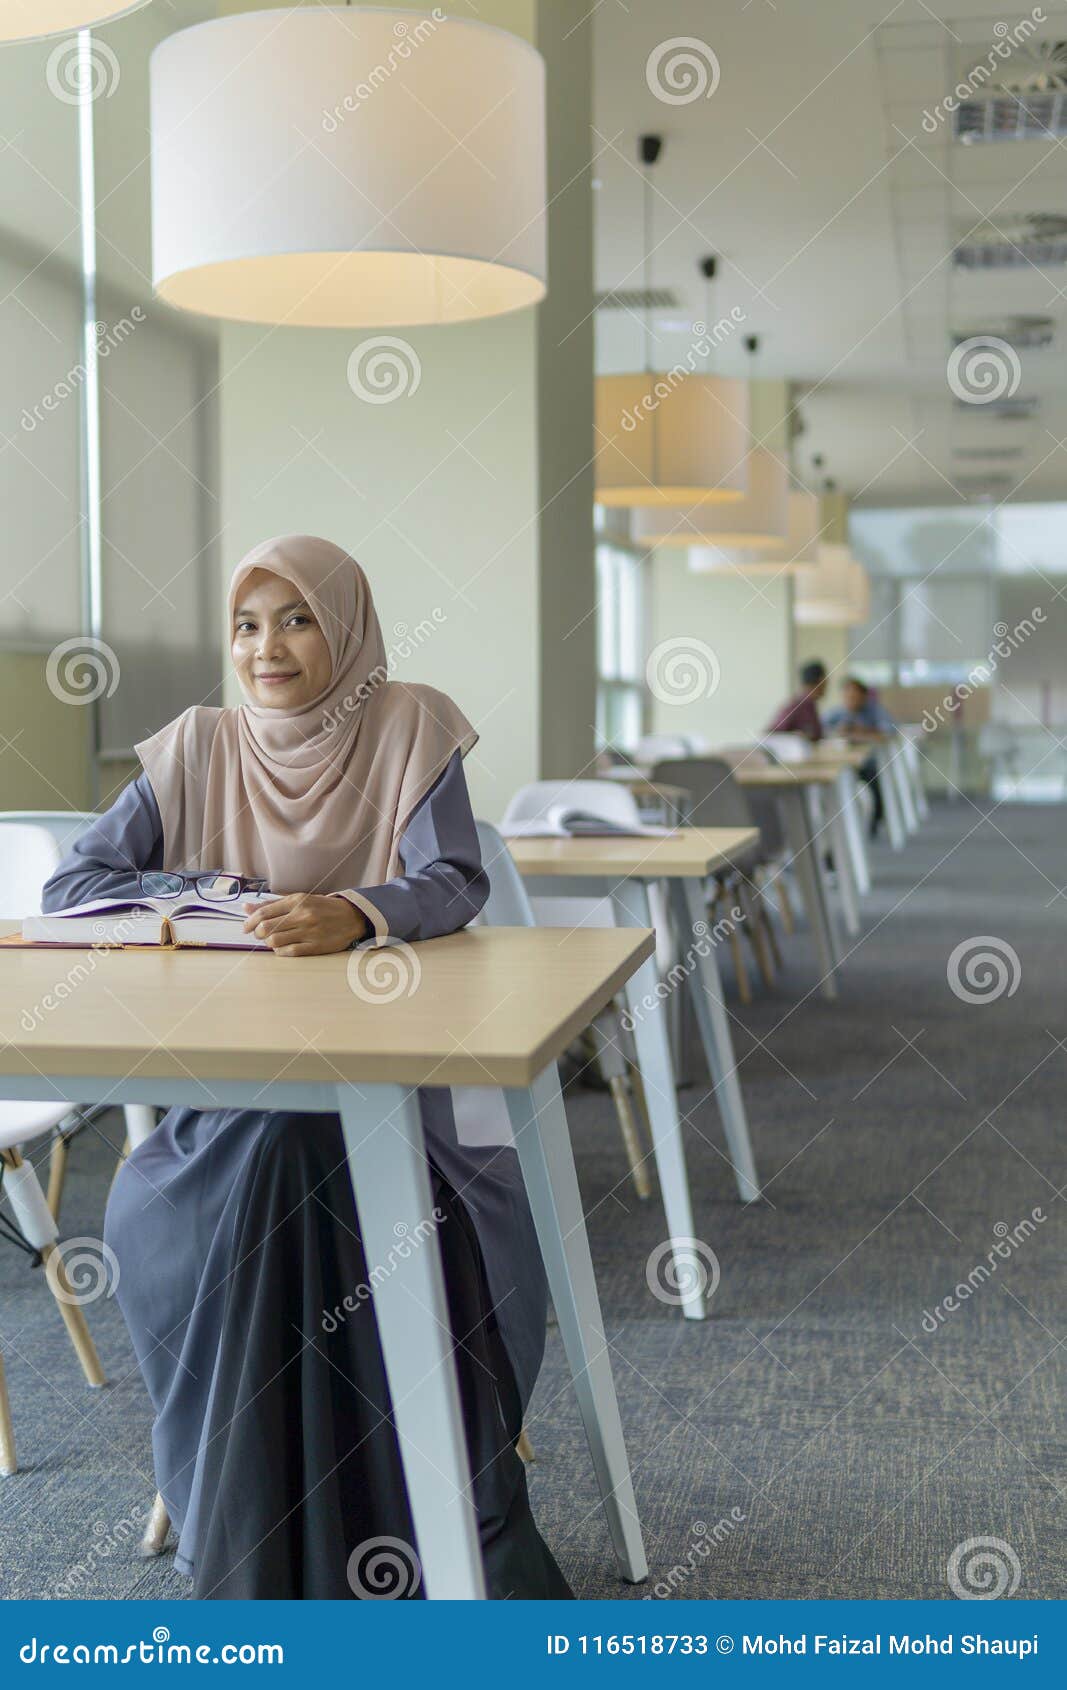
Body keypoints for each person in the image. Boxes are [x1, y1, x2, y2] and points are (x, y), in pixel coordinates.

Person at [41, 534, 572, 1602]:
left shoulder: (408, 722)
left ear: (345, 627)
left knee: (315, 1142)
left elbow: (455, 881)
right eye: (245, 623)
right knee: (279, 1141)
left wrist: (357, 911)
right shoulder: (194, 747)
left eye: (295, 619)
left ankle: (292, 1542)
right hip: (224, 1105)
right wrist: (224, 893)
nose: (265, 646)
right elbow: (76, 885)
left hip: (399, 1094)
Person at [823, 676, 896, 838]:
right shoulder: (837, 713)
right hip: (840, 763)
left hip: (866, 763)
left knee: (875, 780)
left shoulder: (875, 711)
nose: (850, 700)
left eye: (854, 697)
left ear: (864, 696)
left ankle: (875, 820)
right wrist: (837, 732)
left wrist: (863, 731)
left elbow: (889, 732)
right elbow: (821, 731)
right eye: (847, 696)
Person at [765, 659, 828, 743]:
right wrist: (794, 737)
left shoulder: (811, 706)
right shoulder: (795, 706)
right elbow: (769, 734)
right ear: (821, 681)